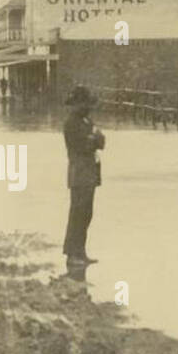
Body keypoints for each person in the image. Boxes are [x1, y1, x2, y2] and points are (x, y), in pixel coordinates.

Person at [62, 85, 105, 266]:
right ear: (77, 104)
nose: (87, 107)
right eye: (84, 104)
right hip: (79, 173)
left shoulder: (86, 121)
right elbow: (83, 145)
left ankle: (81, 251)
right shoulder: (71, 123)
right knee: (78, 213)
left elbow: (101, 141)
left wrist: (94, 138)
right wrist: (93, 138)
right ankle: (72, 254)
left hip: (89, 173)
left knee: (86, 213)